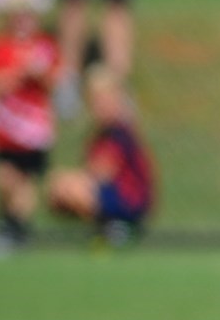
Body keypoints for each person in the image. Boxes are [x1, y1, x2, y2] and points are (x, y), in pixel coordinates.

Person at [0, 0, 59, 254]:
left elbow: (53, 82)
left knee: (27, 181)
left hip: (34, 129)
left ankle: (18, 229)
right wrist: (16, 73)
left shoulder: (44, 47)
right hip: (7, 128)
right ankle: (5, 222)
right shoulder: (0, 47)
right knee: (5, 178)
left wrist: (39, 72)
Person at [46, 65, 156, 245]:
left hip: (129, 200)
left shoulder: (120, 133)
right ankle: (107, 229)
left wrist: (69, 181)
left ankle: (119, 228)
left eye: (105, 100)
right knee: (62, 186)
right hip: (108, 193)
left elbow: (101, 173)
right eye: (96, 101)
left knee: (73, 188)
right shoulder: (98, 135)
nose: (100, 107)